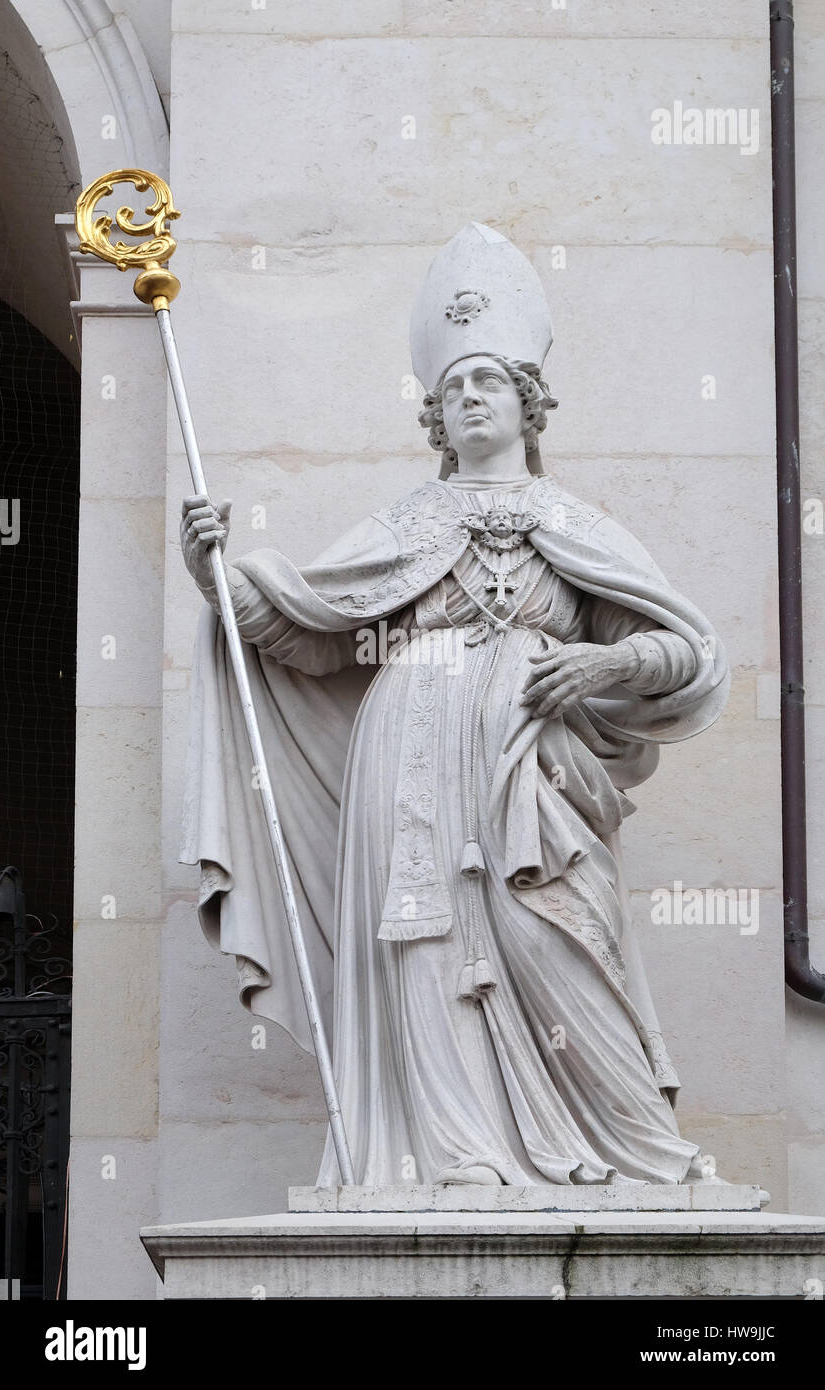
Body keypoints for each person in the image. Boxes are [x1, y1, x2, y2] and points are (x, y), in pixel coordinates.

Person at [179, 225, 729, 1187]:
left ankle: (634, 1151)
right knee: (422, 939)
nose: (470, 399)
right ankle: (448, 1157)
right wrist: (223, 580)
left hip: (533, 767)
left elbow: (686, 652)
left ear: (528, 401)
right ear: (434, 418)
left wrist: (600, 666)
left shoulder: (578, 527)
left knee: (560, 928)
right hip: (412, 752)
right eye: (452, 390)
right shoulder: (409, 524)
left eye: (488, 383)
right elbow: (315, 634)